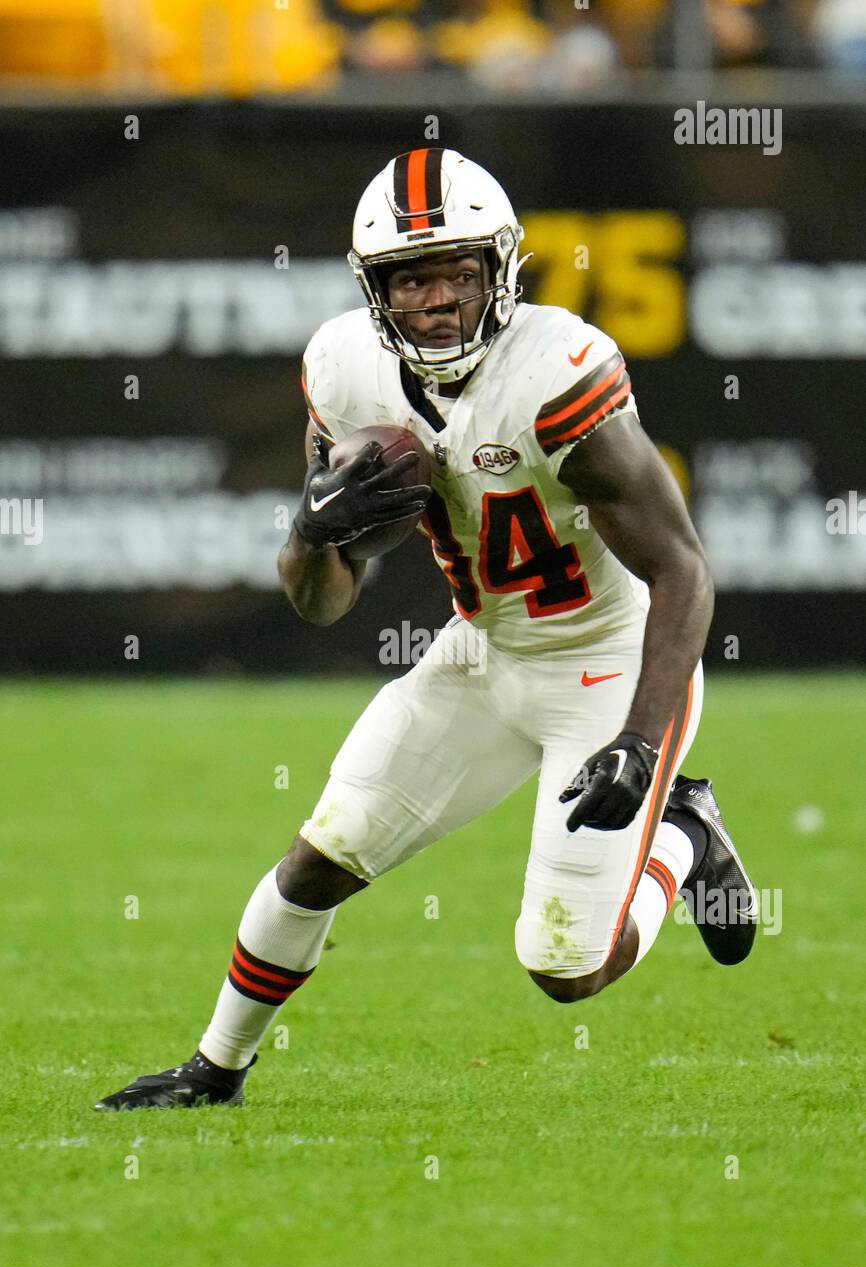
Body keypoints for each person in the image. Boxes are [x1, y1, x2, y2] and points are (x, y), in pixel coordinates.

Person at [96, 147, 757, 1111]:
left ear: (501, 272)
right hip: (485, 652)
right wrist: (311, 529)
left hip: (608, 661)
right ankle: (215, 1070)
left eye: (457, 272)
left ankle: (684, 834)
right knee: (322, 856)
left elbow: (683, 570)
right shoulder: (344, 372)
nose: (438, 298)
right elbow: (323, 600)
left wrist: (640, 739)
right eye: (412, 277)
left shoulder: (557, 369)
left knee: (566, 966)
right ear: (377, 289)